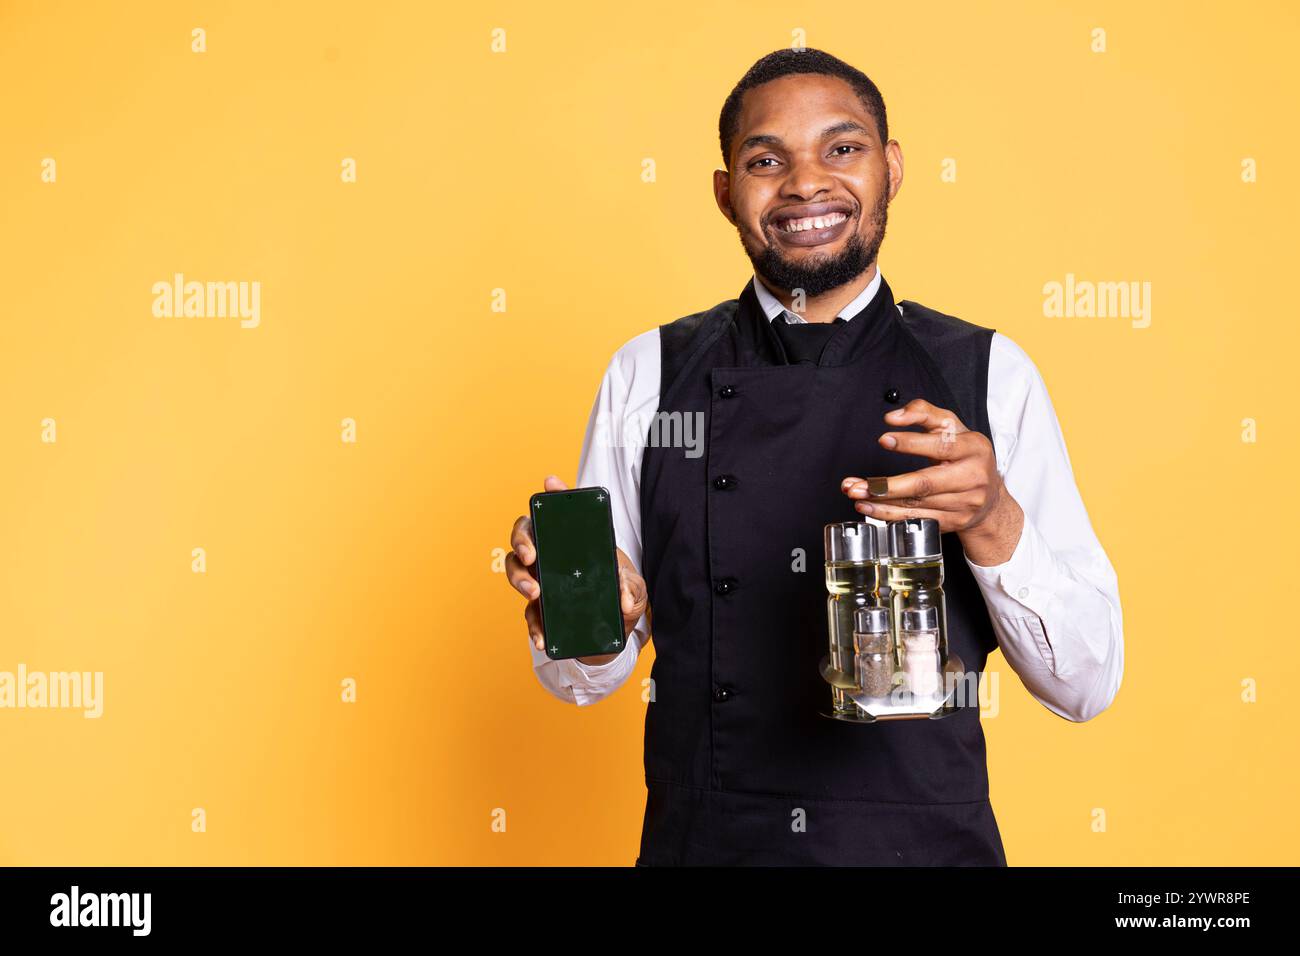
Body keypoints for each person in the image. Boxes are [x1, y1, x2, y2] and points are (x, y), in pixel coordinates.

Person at [505, 47, 1123, 866]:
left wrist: (993, 519)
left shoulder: (987, 374)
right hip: (710, 846)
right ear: (727, 191)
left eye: (843, 148)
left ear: (891, 170)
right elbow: (582, 680)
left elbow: (1085, 687)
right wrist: (590, 620)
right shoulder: (647, 375)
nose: (805, 183)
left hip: (925, 848)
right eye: (767, 159)